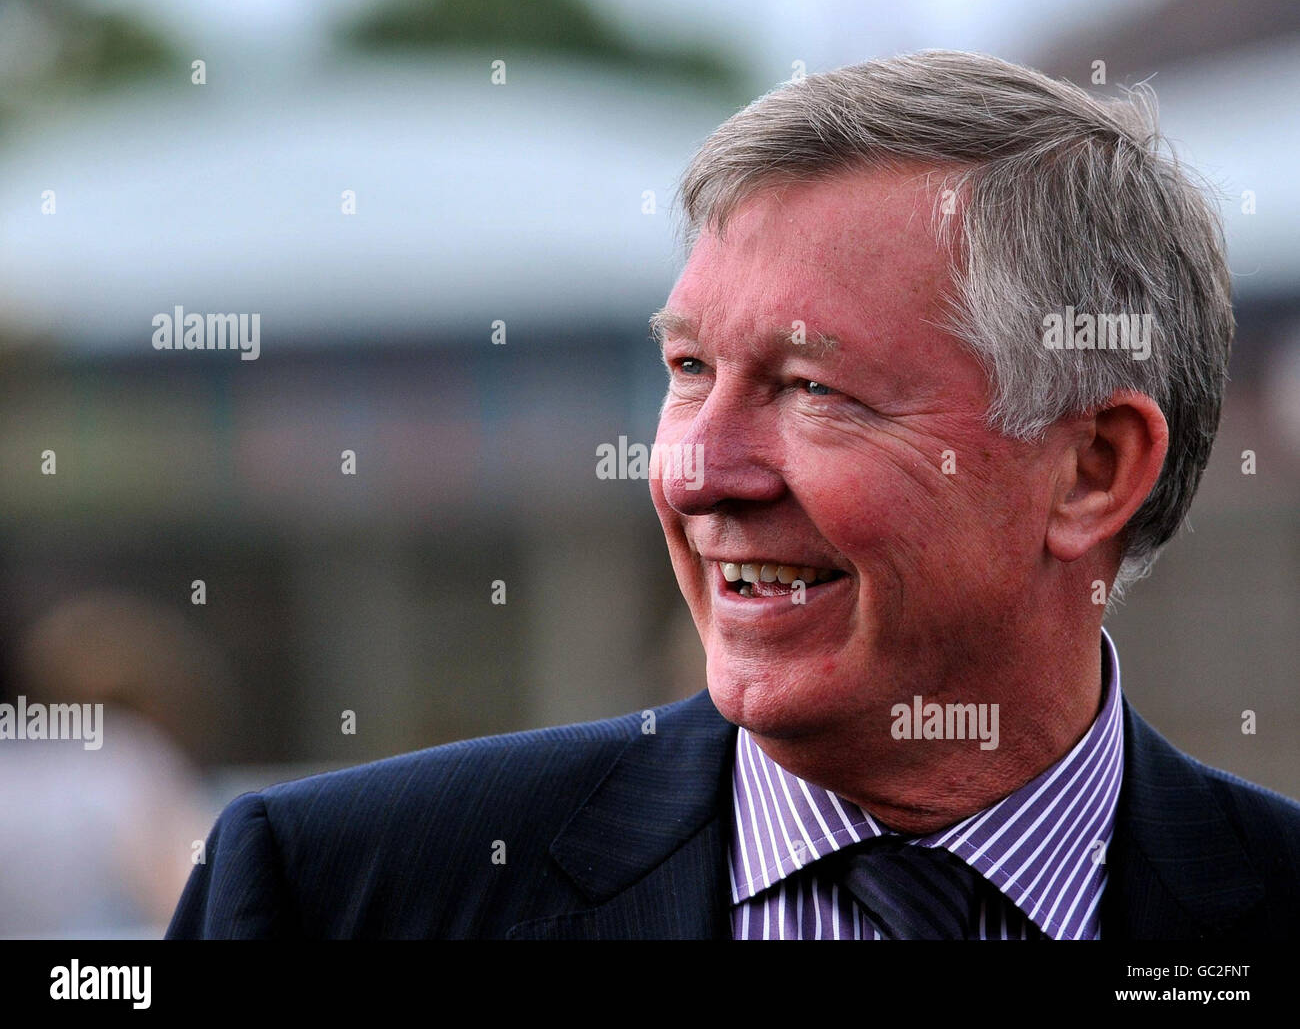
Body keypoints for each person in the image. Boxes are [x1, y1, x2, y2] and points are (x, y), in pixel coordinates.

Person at [167, 50, 1300, 940]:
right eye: (689, 372)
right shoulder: (337, 896)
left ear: (1091, 469)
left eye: (811, 388)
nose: (694, 471)